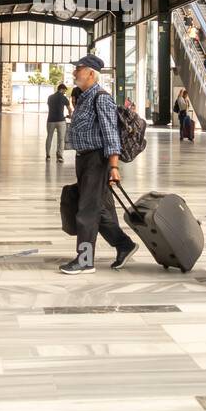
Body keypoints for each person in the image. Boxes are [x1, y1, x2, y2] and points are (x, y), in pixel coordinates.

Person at [61, 54, 137, 276]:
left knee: (86, 211)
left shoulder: (101, 98)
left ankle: (85, 261)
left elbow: (111, 134)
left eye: (79, 69)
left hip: (96, 161)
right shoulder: (84, 97)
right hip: (84, 159)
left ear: (91, 74)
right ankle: (124, 245)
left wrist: (114, 167)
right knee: (97, 208)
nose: (75, 73)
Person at [46, 83, 72, 163]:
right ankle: (60, 156)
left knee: (49, 137)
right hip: (61, 120)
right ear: (62, 89)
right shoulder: (64, 98)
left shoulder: (50, 97)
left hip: (50, 120)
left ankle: (48, 155)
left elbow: (50, 107)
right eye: (64, 91)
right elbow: (69, 109)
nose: (64, 92)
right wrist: (70, 115)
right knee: (61, 139)